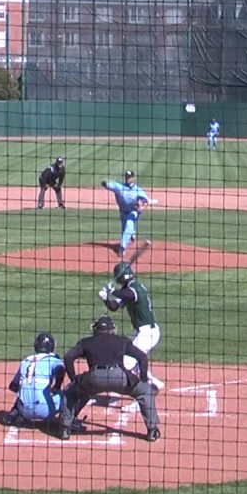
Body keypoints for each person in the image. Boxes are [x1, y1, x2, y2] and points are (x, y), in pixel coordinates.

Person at [58, 315, 161, 442]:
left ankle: (65, 428)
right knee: (145, 391)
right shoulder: (122, 341)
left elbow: (68, 357)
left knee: (71, 392)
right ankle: (152, 431)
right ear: (112, 329)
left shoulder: (86, 342)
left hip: (94, 379)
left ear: (95, 330)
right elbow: (142, 357)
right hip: (120, 378)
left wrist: (74, 379)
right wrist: (143, 379)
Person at [99, 241, 165, 389]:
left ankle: (138, 394)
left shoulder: (135, 288)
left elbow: (129, 295)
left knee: (127, 362)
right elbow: (114, 307)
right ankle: (154, 384)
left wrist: (112, 291)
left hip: (148, 333)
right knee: (125, 356)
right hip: (140, 332)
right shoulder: (127, 288)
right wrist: (105, 299)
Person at [2, 332, 67, 427]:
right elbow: (61, 369)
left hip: (24, 410)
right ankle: (66, 423)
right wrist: (57, 386)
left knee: (23, 390)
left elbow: (13, 386)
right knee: (70, 392)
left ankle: (13, 414)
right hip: (45, 410)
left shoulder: (25, 361)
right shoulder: (54, 360)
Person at [100, 170, 154, 258]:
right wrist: (105, 183)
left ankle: (122, 248)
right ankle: (132, 234)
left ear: (133, 178)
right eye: (127, 177)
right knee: (125, 228)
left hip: (133, 212)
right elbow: (108, 184)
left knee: (129, 224)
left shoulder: (137, 190)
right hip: (123, 212)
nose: (128, 179)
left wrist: (141, 206)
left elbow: (145, 201)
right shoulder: (119, 186)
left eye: (130, 177)